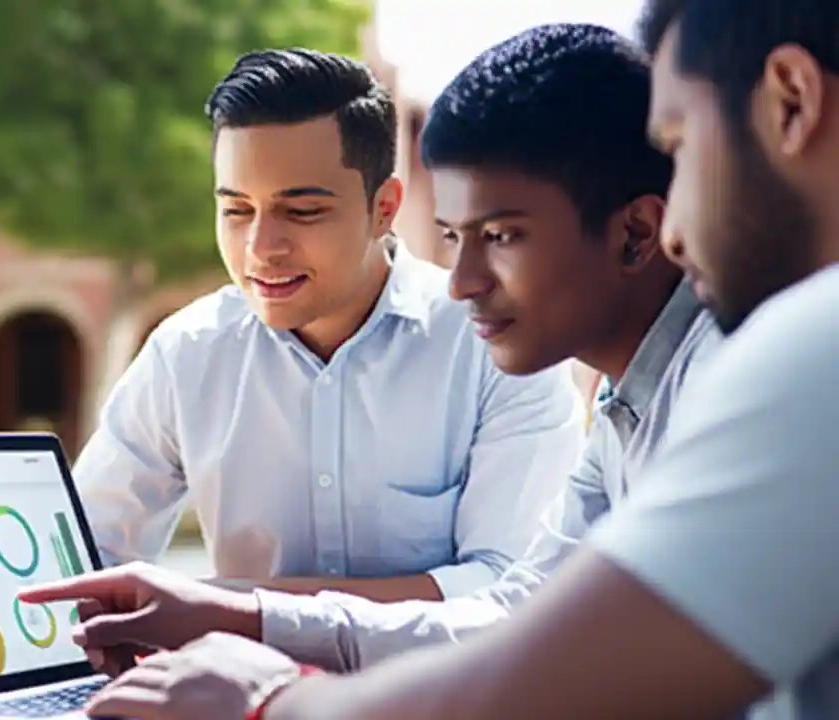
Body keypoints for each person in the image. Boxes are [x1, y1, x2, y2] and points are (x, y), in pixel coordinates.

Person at [45, 1, 839, 717]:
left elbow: (552, 673)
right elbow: (519, 618)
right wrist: (242, 618)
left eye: (680, 146)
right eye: (455, 238)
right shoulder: (629, 404)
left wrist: (276, 700)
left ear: (791, 104)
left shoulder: (793, 357)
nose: (459, 284)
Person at [75, 49, 582, 604]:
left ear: (384, 207)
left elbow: (510, 587)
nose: (261, 248)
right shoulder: (186, 354)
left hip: (439, 690)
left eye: (302, 212)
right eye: (236, 210)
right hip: (231, 689)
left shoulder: (497, 346)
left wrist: (232, 609)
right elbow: (85, 555)